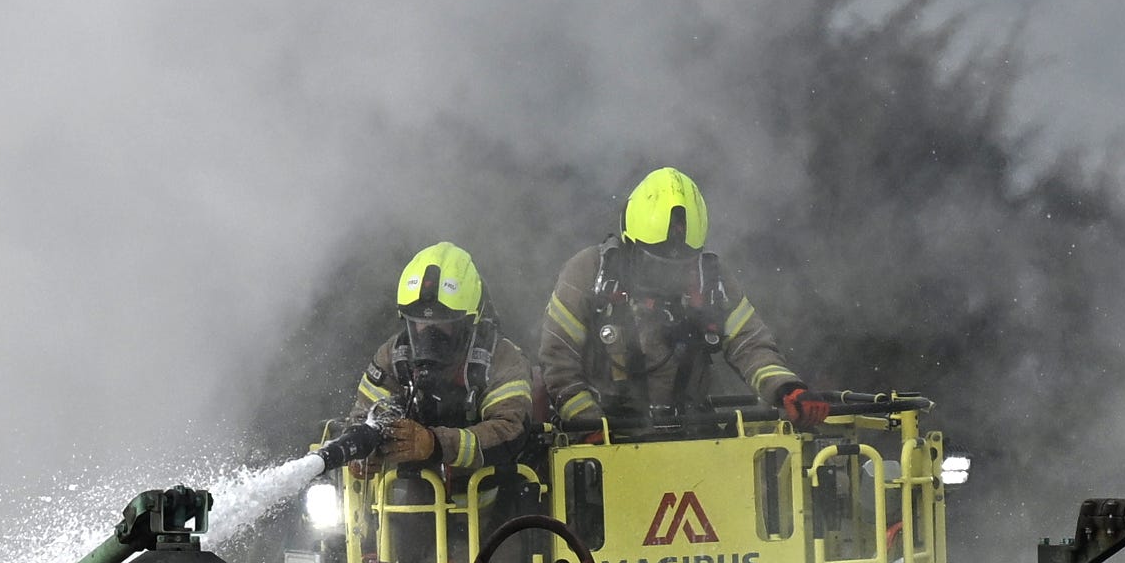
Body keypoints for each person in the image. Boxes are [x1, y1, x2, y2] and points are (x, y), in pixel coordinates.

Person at [536, 168, 820, 433]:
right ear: (629, 244)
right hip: (606, 438)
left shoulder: (711, 279)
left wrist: (786, 387)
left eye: (681, 264)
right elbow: (558, 362)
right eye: (655, 263)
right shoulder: (587, 273)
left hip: (693, 434)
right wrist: (589, 426)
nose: (669, 274)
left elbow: (750, 343)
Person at [331, 241, 536, 474]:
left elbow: (509, 430)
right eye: (420, 322)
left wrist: (434, 444)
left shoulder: (501, 358)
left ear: (469, 323)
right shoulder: (394, 356)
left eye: (443, 323)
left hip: (491, 496)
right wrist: (363, 451)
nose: (429, 333)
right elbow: (364, 416)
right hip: (404, 498)